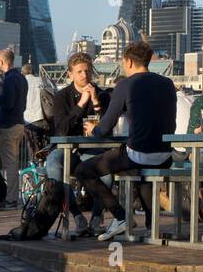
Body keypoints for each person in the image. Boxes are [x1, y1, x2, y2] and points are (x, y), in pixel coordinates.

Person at [73, 41, 177, 242]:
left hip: (138, 153)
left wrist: (92, 129)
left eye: (122, 62)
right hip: (165, 156)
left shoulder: (125, 85)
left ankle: (121, 217)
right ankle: (150, 225)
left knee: (83, 170)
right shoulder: (167, 84)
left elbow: (105, 127)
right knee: (138, 170)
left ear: (129, 61)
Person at [47, 52, 110, 238]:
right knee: (53, 164)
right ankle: (76, 215)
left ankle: (97, 218)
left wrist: (96, 102)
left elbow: (108, 126)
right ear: (70, 74)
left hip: (92, 149)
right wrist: (81, 104)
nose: (84, 75)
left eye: (88, 71)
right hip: (68, 150)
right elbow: (61, 130)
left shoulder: (102, 95)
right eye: (80, 71)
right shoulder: (61, 97)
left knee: (106, 175)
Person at [0, 49, 27, 209]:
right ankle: (12, 197)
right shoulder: (21, 77)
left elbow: (8, 103)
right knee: (13, 162)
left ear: (1, 62)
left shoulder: (9, 79)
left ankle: (11, 199)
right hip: (19, 123)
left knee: (10, 164)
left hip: (8, 125)